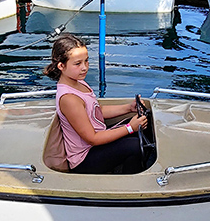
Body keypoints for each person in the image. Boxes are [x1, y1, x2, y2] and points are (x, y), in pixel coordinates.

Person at [44, 33, 148, 174]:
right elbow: (92, 139)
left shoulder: (78, 81)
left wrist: (128, 108)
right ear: (61, 66)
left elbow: (96, 111)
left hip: (97, 140)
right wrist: (130, 128)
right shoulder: (69, 99)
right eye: (77, 63)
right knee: (134, 146)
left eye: (86, 61)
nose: (84, 67)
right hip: (84, 159)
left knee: (146, 123)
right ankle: (129, 184)